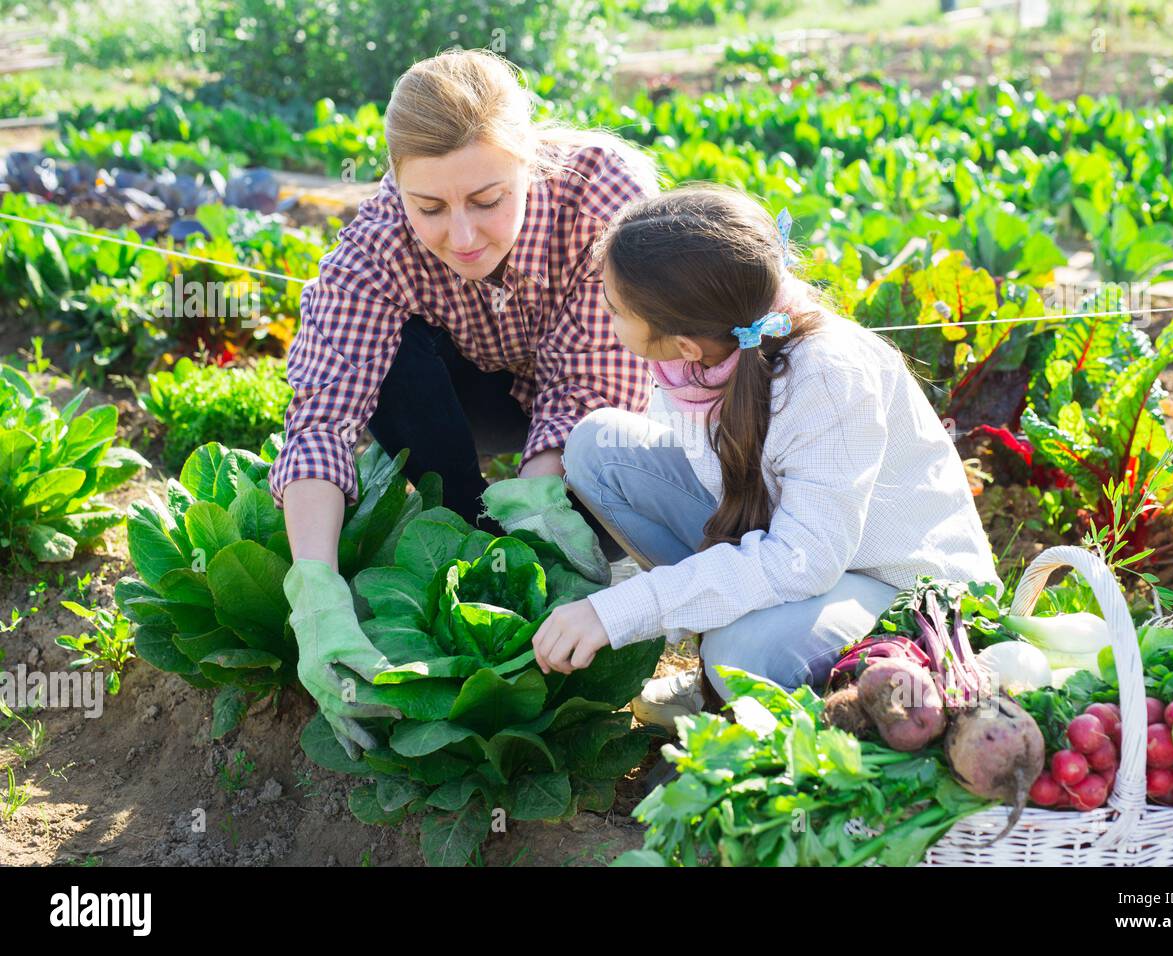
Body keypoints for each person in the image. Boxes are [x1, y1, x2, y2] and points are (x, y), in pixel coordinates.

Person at [275, 49, 658, 756]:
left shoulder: (602, 192)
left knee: (592, 523)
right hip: (478, 390)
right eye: (429, 206)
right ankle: (465, 524)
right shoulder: (377, 243)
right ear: (395, 183)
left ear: (530, 163)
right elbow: (322, 420)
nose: (461, 235)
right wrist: (316, 590)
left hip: (602, 404)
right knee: (386, 360)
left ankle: (525, 539)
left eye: (488, 200)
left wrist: (541, 511)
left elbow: (587, 383)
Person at [528, 184, 1003, 729]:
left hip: (896, 585)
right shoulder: (707, 352)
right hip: (793, 539)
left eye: (613, 309)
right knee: (597, 448)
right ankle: (731, 654)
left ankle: (757, 684)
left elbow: (802, 559)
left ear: (684, 343)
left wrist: (623, 610)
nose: (606, 317)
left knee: (742, 655)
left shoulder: (826, 375)